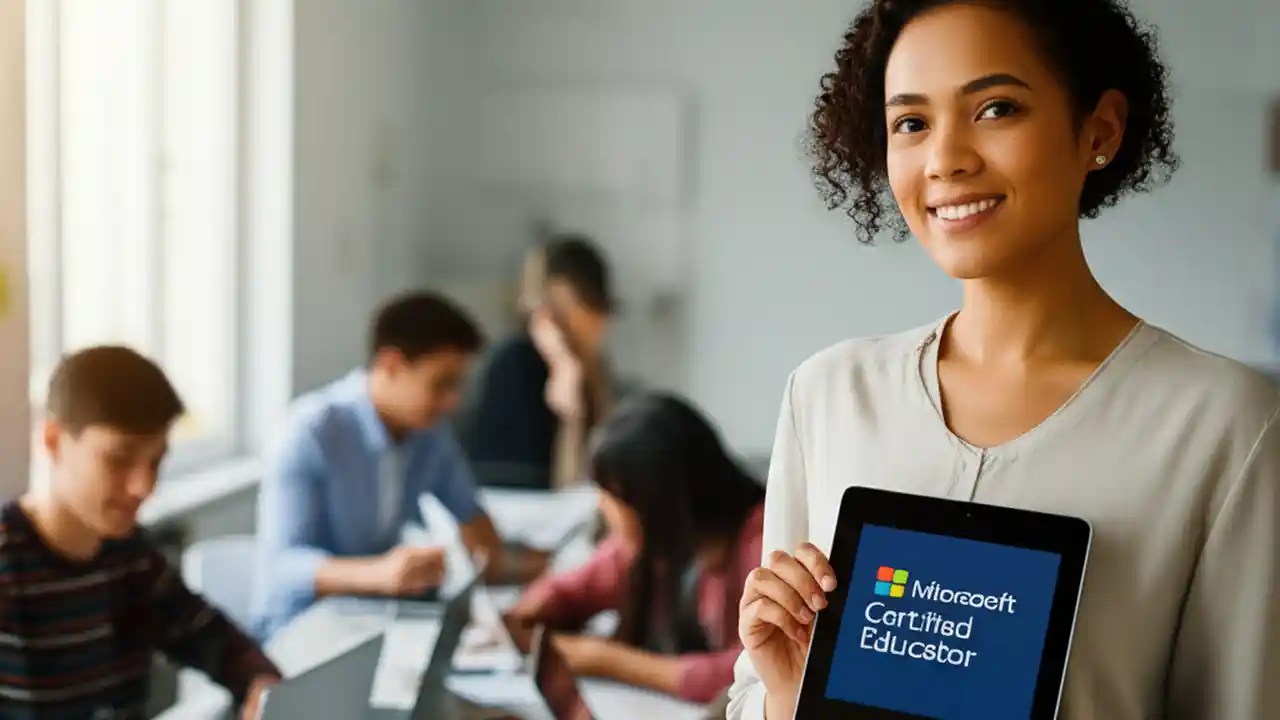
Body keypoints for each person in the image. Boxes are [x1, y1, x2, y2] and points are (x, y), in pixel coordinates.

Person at [729, 1, 1278, 719]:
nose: (946, 158)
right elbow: (755, 698)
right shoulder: (829, 395)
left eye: (995, 108)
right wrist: (785, 695)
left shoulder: (1227, 427)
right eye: (911, 123)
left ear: (1099, 130)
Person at [1, 347, 279, 719]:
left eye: (156, 461)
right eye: (118, 459)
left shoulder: (132, 555)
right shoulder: (7, 561)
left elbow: (213, 639)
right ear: (53, 442)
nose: (144, 486)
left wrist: (261, 684)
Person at [252, 292, 547, 641]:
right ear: (390, 366)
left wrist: (523, 564)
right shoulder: (311, 432)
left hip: (371, 622)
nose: (451, 401)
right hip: (297, 630)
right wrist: (378, 574)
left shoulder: (428, 434)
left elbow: (473, 518)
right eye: (440, 385)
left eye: (457, 385)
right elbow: (283, 567)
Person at [506, 394, 765, 704]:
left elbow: (747, 673)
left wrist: (606, 659)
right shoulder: (656, 548)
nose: (603, 509)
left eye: (614, 497)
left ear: (660, 501)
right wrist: (524, 617)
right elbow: (574, 587)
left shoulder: (763, 542)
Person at [462, 235, 615, 489]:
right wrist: (570, 403)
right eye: (587, 306)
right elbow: (558, 485)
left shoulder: (589, 369)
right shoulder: (515, 363)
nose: (602, 324)